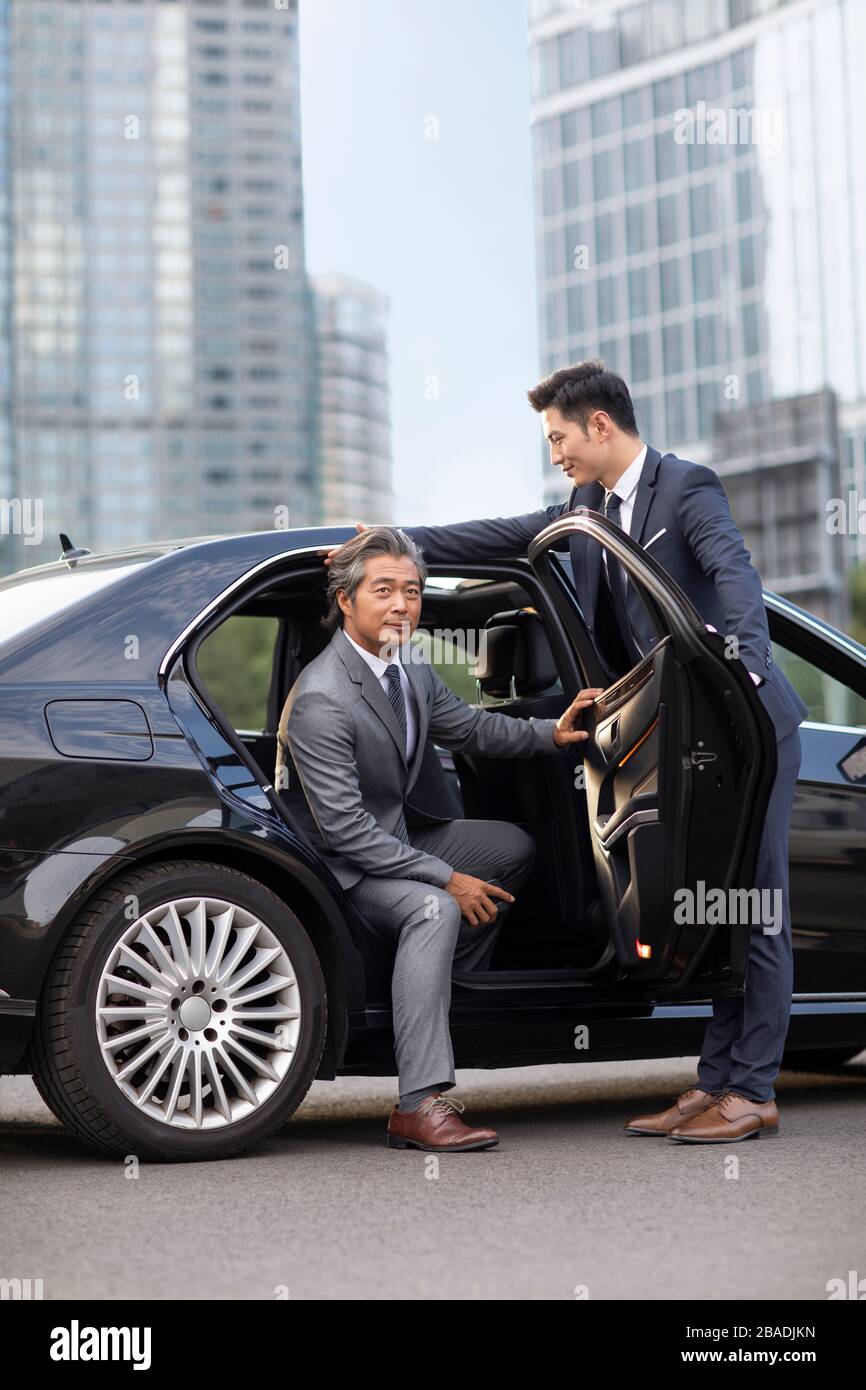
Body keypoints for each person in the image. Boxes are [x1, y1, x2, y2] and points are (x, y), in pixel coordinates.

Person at [325, 360, 809, 1144]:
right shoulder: (588, 507)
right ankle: (716, 1080)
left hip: (747, 728)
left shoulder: (687, 489)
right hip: (680, 737)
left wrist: (748, 668)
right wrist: (404, 541)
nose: (556, 453)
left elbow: (733, 573)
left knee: (752, 908)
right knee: (715, 912)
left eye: (559, 437)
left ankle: (752, 1088)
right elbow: (512, 533)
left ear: (601, 426)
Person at [280, 525, 599, 1152]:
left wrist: (549, 735)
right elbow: (344, 831)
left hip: (393, 839)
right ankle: (418, 1105)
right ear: (345, 600)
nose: (402, 605)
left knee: (510, 848)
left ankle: (432, 998)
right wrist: (445, 879)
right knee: (433, 908)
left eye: (413, 591)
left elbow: (471, 730)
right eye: (384, 591)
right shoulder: (323, 698)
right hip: (341, 867)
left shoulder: (411, 665)